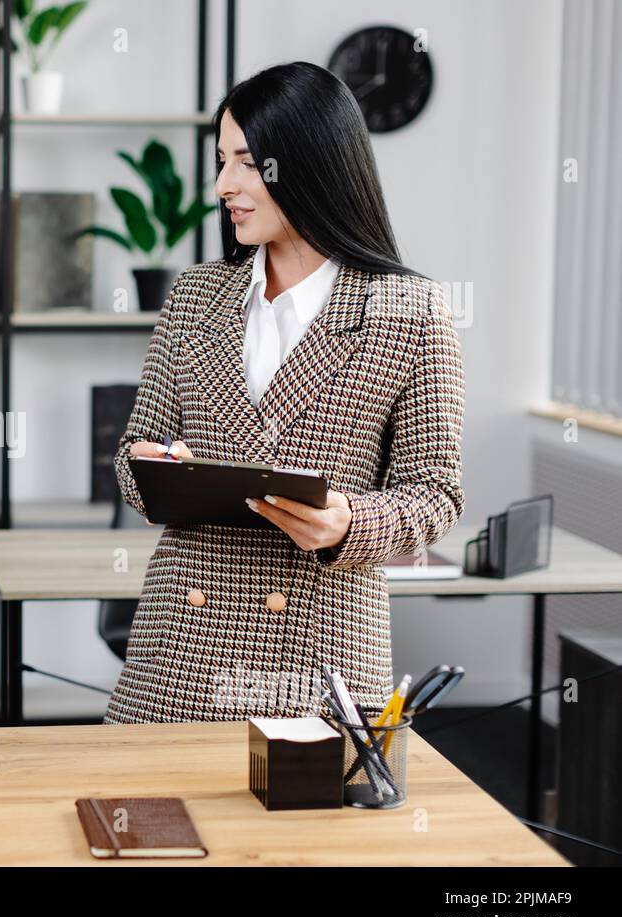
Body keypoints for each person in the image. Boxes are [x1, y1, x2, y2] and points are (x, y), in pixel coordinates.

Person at [103, 62, 465, 725]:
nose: (222, 187)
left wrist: (349, 523)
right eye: (221, 161)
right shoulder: (193, 296)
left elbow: (436, 493)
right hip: (181, 651)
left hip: (319, 652)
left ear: (308, 162)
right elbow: (132, 453)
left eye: (246, 163)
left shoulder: (409, 311)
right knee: (147, 822)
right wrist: (152, 470)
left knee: (299, 828)